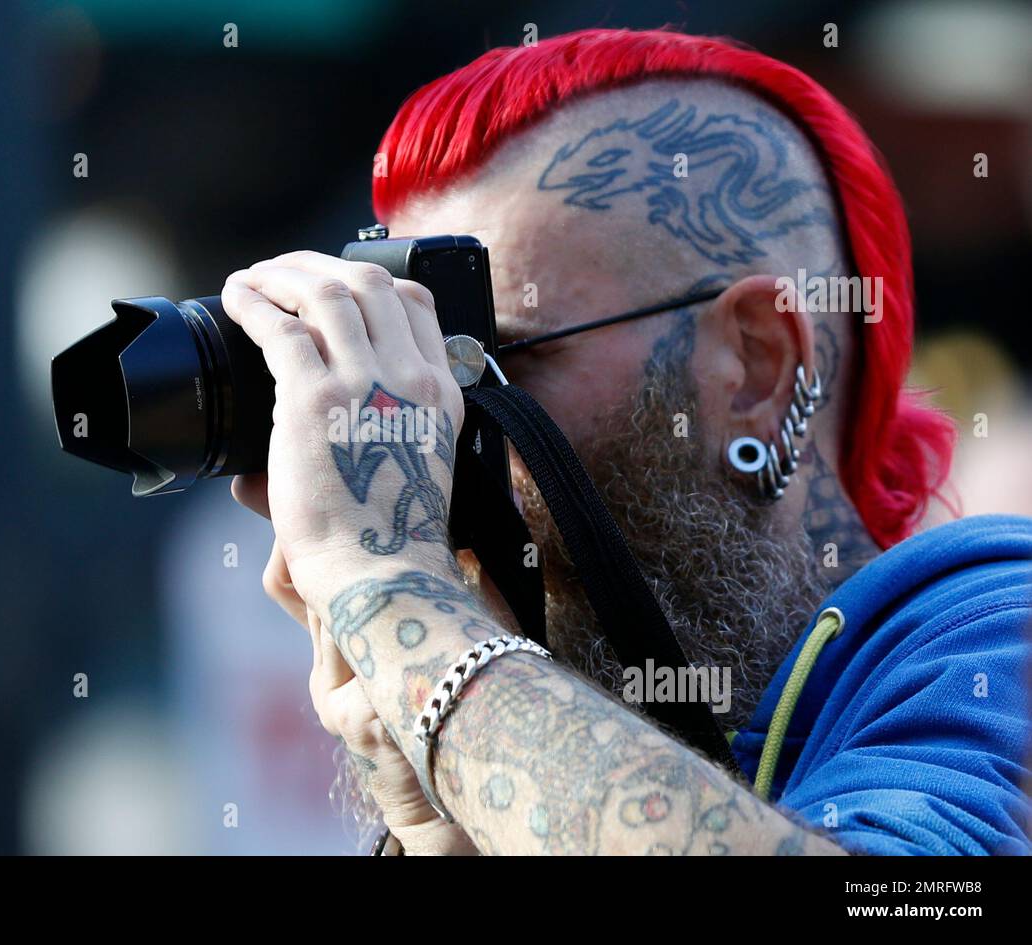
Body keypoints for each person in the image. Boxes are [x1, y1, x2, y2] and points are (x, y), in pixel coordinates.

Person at [224, 28, 1032, 855]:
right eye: (413, 366)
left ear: (756, 367)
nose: (434, 434)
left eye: (489, 360)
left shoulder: (999, 632)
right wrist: (448, 829)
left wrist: (394, 587)